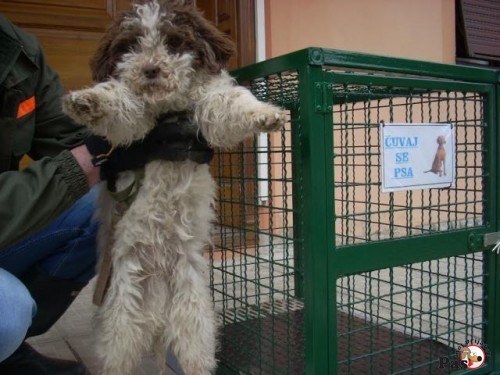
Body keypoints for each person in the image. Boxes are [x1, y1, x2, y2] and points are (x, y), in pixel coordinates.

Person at [0, 15, 204, 374]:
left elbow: (65, 140)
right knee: (7, 311)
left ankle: (9, 349)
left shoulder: (18, 51)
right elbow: (85, 155)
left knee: (106, 207)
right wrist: (97, 153)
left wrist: (133, 136)